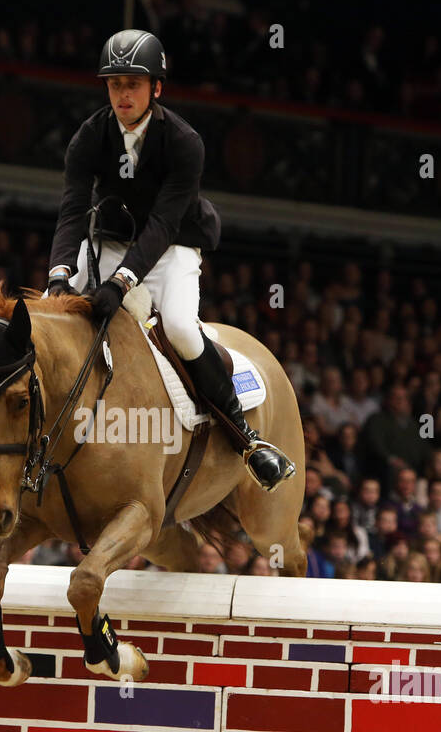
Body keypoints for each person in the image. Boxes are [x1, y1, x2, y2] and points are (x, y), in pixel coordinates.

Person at [45, 28, 292, 491]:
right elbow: (73, 210)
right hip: (112, 238)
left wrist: (120, 283)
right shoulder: (88, 137)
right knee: (45, 308)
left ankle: (246, 438)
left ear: (156, 88)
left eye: (132, 84)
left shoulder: (184, 142)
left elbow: (162, 224)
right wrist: (59, 275)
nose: (122, 93)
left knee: (178, 325)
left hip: (172, 244)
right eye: (114, 84)